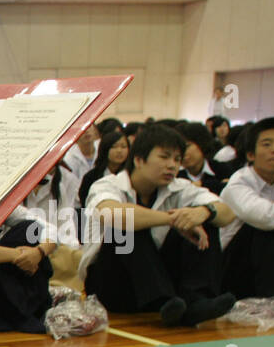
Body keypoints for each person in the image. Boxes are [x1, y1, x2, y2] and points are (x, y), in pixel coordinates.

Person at [83, 124, 238, 326]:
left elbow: (228, 214)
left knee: (205, 218)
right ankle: (163, 300)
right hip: (114, 283)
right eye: (164, 157)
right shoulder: (107, 184)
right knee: (125, 226)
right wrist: (173, 219)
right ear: (139, 159)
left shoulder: (179, 187)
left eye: (176, 159)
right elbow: (112, 213)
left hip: (168, 287)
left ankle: (196, 301)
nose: (172, 165)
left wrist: (203, 212)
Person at [219, 117, 274, 298]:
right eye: (267, 144)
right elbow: (265, 218)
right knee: (266, 231)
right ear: (250, 155)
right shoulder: (238, 184)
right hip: (234, 264)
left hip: (270, 262)